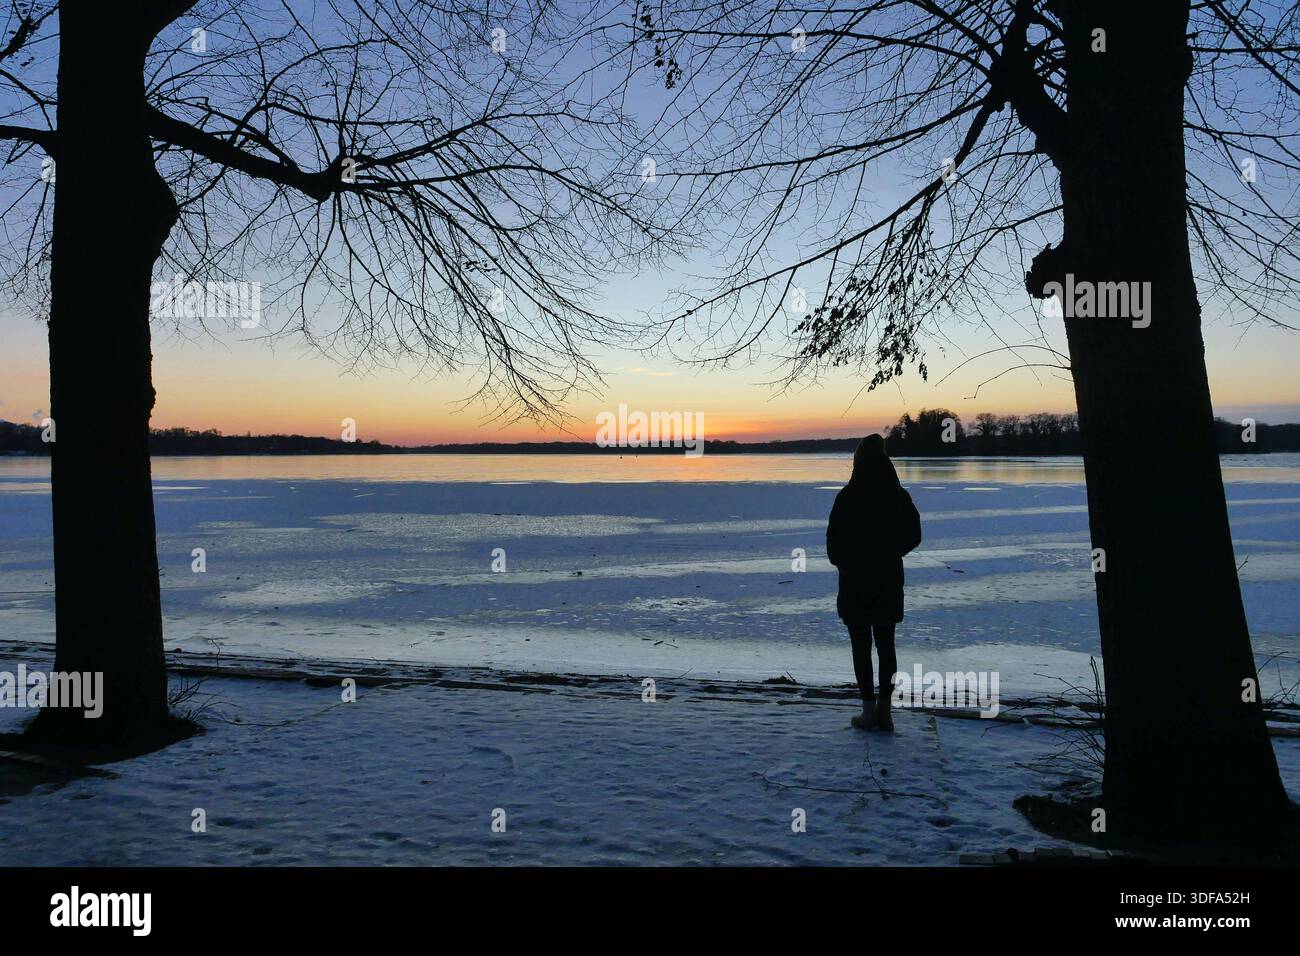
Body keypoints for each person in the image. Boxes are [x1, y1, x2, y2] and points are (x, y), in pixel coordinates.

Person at [826, 434, 921, 731]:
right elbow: (914, 535)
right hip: (887, 581)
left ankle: (870, 711)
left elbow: (833, 545)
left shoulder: (847, 496)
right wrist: (891, 552)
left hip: (855, 583)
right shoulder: (898, 496)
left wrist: (848, 562)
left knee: (861, 647)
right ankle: (885, 712)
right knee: (886, 646)